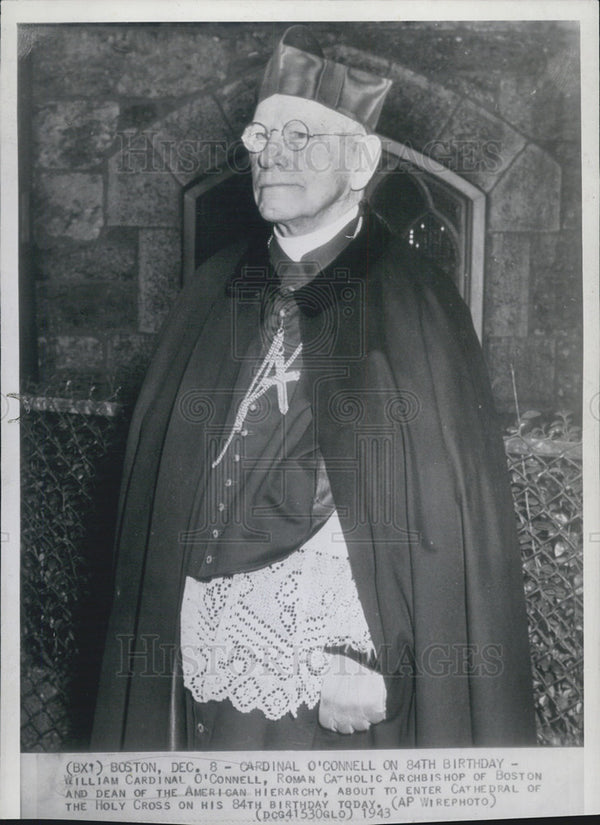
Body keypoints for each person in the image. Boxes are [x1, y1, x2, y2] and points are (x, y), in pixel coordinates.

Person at [92, 25, 536, 751]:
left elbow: (437, 530)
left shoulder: (415, 301)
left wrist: (384, 665)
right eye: (263, 135)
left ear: (361, 162)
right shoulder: (214, 287)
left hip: (336, 686)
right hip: (191, 659)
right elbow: (158, 498)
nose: (274, 154)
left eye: (304, 137)